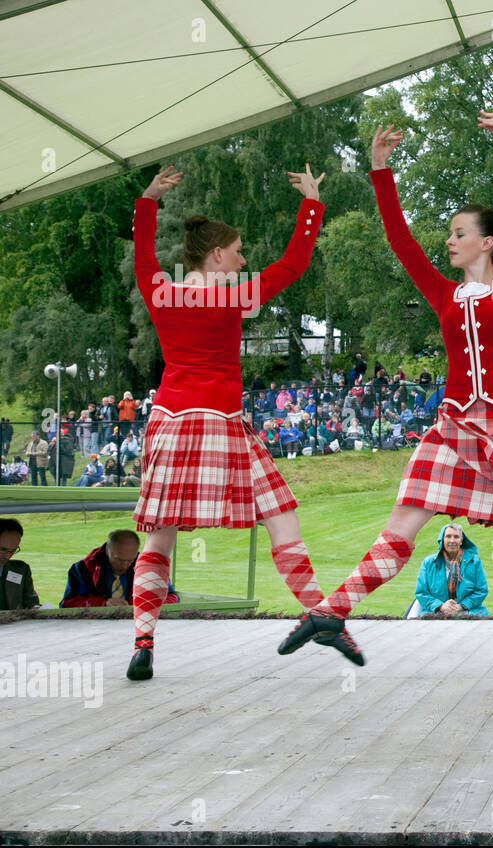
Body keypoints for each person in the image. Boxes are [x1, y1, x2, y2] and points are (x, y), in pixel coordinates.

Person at [279, 115, 493, 692]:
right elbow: (399, 240)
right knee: (405, 522)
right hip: (455, 422)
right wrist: (379, 170)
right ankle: (333, 612)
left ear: (487, 242)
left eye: (459, 232)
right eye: (448, 233)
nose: (449, 240)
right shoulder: (444, 292)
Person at [128, 160, 352, 681]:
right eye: (238, 251)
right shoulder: (234, 296)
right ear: (216, 255)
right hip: (221, 418)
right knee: (280, 515)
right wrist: (312, 206)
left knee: (159, 537)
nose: (244, 258)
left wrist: (149, 199)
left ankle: (143, 642)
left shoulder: (163, 292)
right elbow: (293, 266)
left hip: (170, 420)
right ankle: (319, 612)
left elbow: (142, 257)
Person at [61, 529, 178, 608]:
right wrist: (103, 603)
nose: (124, 565)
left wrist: (146, 605)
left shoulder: (150, 568)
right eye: (119, 560)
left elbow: (172, 598)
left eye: (130, 560)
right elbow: (67, 604)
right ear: (107, 550)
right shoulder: (83, 569)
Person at [412, 523, 489, 617]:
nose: (452, 540)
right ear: (442, 539)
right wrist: (441, 606)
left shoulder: (474, 561)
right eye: (448, 536)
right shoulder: (428, 563)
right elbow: (421, 592)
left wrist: (461, 606)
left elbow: (481, 590)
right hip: (436, 612)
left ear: (461, 541)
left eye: (456, 537)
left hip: (468, 611)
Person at [0, 518, 39, 611]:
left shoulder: (21, 569)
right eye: (3, 549)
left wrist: (36, 608)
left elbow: (31, 602)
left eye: (13, 551)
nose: (8, 556)